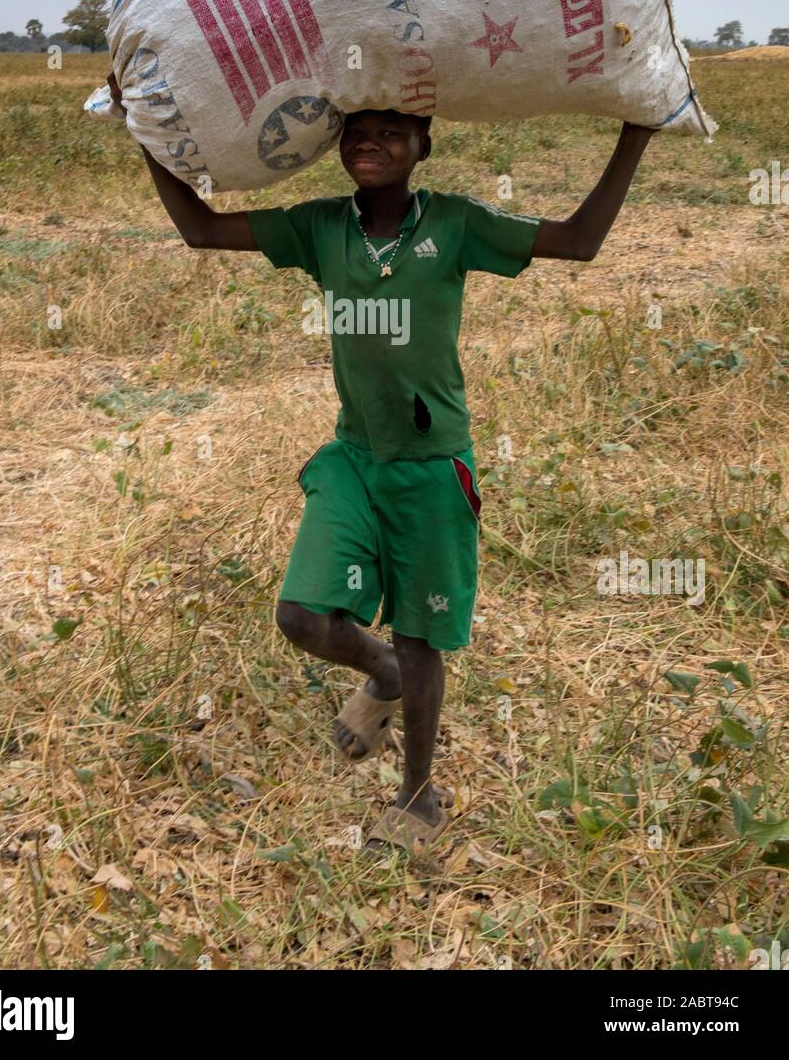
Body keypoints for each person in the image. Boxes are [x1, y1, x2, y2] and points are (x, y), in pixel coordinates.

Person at [113, 73, 654, 853]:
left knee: (420, 633)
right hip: (355, 456)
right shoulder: (320, 227)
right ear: (337, 146)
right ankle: (385, 678)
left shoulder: (458, 224)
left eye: (391, 133)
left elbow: (579, 241)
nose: (371, 143)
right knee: (302, 616)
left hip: (432, 464)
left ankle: (419, 798)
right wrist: (142, 128)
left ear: (422, 148)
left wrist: (633, 136)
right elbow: (201, 229)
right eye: (356, 132)